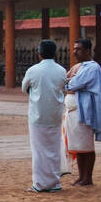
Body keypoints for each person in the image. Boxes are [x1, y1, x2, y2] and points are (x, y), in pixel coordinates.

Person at [20, 39, 66, 193]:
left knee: (39, 150)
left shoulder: (33, 70)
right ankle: (55, 183)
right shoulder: (61, 70)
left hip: (37, 115)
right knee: (54, 149)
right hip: (55, 114)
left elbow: (23, 87)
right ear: (55, 53)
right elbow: (63, 87)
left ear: (39, 53)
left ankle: (39, 183)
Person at [64, 37, 101, 187]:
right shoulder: (79, 66)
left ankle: (88, 177)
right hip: (73, 111)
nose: (74, 52)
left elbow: (73, 83)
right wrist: (69, 81)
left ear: (87, 51)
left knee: (87, 146)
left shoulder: (92, 67)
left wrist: (69, 82)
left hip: (83, 111)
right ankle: (81, 176)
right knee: (78, 146)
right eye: (74, 48)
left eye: (78, 49)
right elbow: (67, 80)